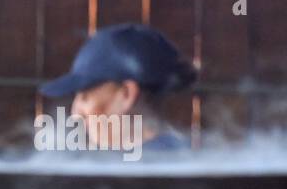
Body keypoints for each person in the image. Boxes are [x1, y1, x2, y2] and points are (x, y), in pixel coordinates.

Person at [39, 23, 198, 153]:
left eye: (85, 98)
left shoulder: (133, 174)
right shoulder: (186, 158)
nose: (75, 114)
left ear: (126, 94)